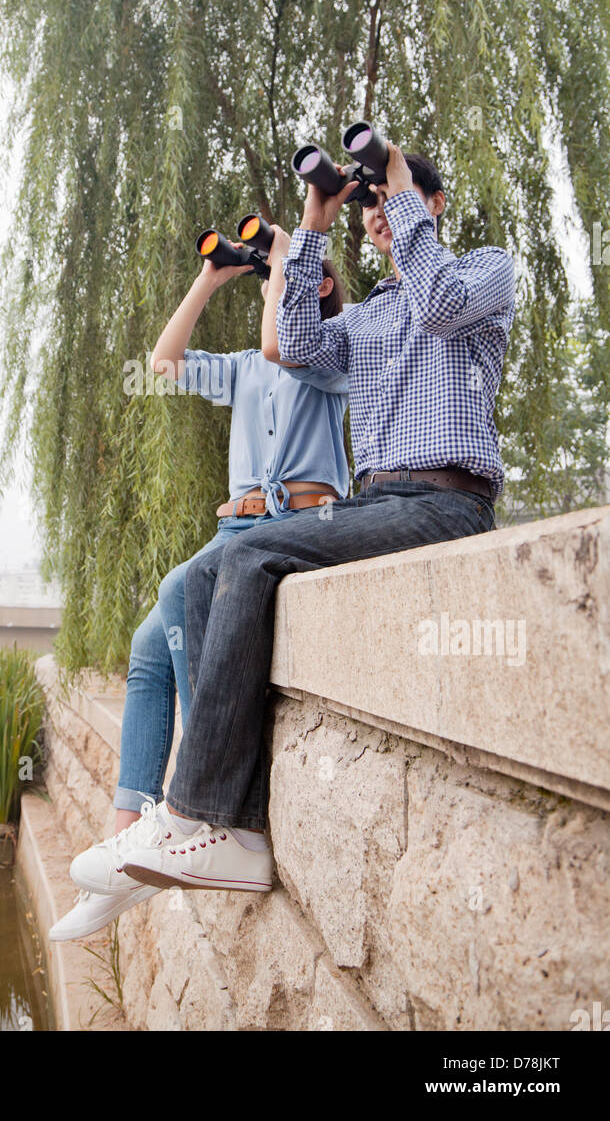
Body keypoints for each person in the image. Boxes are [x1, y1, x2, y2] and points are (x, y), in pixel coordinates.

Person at [119, 141, 516, 894]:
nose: (377, 214)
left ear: (430, 205)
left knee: (247, 558)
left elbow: (436, 303)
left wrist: (396, 182)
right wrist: (314, 218)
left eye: (390, 200)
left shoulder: (484, 272)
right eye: (369, 205)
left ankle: (197, 810)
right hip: (376, 504)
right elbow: (291, 344)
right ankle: (227, 827)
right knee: (207, 578)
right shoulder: (363, 321)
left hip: (447, 504)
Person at [49, 235, 350, 939]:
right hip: (232, 531)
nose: (269, 296)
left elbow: (287, 343)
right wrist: (210, 279)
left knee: (175, 587)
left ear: (317, 293)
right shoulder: (243, 370)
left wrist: (289, 257)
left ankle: (197, 807)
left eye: (284, 283)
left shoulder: (328, 354)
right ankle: (128, 836)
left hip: (298, 526)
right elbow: (162, 365)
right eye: (270, 284)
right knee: (148, 645)